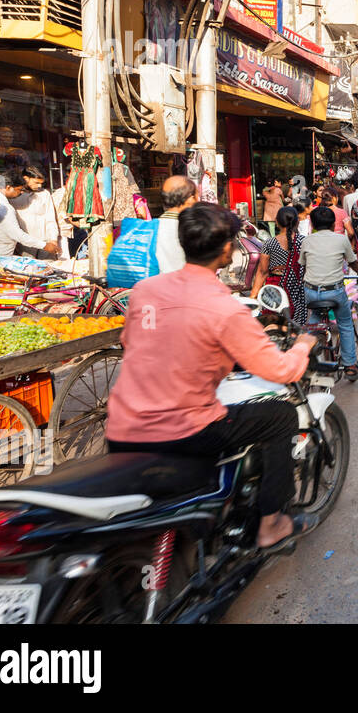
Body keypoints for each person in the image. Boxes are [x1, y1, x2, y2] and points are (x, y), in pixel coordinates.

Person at [107, 203, 320, 550]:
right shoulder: (224, 307)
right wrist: (303, 346)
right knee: (280, 416)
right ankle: (271, 524)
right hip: (185, 430)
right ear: (226, 250)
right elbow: (280, 370)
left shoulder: (145, 291)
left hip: (122, 426)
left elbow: (132, 343)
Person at [303, 206, 358, 379]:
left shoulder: (307, 241)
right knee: (345, 324)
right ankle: (350, 366)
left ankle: (302, 357)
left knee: (313, 320)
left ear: (313, 224)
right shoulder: (341, 240)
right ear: (334, 224)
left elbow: (303, 263)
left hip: (311, 293)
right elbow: (354, 263)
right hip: (334, 292)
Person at [0, 171, 57, 272]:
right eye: (19, 190)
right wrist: (45, 245)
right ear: (8, 187)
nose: (21, 192)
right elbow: (17, 235)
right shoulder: (1, 206)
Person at [251, 206, 307, 325]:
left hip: (274, 290)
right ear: (297, 222)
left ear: (277, 222)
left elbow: (262, 272)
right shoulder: (304, 242)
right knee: (295, 327)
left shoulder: (269, 243)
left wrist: (253, 296)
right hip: (297, 289)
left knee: (274, 324)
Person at [11, 166, 60, 259]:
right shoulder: (14, 195)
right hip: (25, 244)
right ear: (26, 179)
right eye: (36, 183)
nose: (39, 186)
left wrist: (53, 239)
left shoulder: (44, 194)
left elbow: (50, 218)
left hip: (46, 242)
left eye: (41, 183)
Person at [154, 175, 198, 275]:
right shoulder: (193, 228)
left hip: (156, 286)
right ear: (190, 198)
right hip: (185, 286)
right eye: (196, 196)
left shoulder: (151, 227)